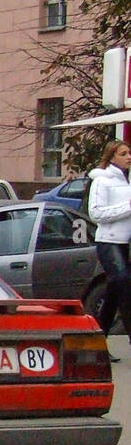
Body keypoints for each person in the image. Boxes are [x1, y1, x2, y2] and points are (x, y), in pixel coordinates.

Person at [87, 140, 131, 355]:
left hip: (124, 243)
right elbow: (96, 214)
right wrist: (128, 207)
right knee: (124, 283)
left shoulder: (126, 181)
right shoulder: (102, 181)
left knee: (114, 292)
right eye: (123, 153)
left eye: (129, 153)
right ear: (112, 157)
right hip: (108, 242)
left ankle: (96, 344)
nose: (129, 156)